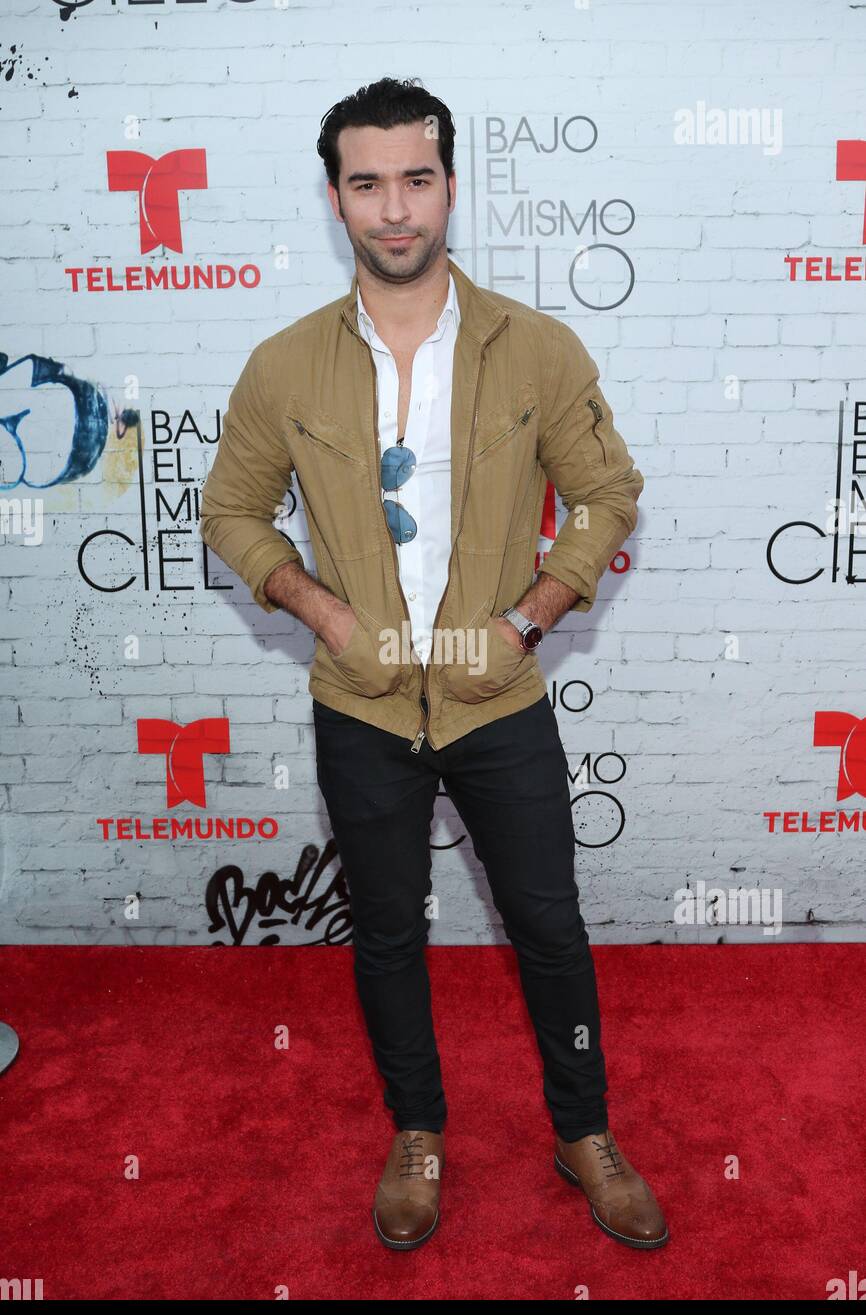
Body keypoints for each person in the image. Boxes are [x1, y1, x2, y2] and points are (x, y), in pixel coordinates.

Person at [200, 76, 668, 1253]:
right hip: (358, 701)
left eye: (416, 179)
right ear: (335, 198)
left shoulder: (535, 348)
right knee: (388, 937)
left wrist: (526, 619)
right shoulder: (283, 365)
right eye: (367, 183)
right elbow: (232, 512)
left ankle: (583, 1130)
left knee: (548, 926)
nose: (394, 208)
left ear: (449, 187)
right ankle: (417, 1129)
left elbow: (607, 493)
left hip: (494, 692)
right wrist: (320, 610)